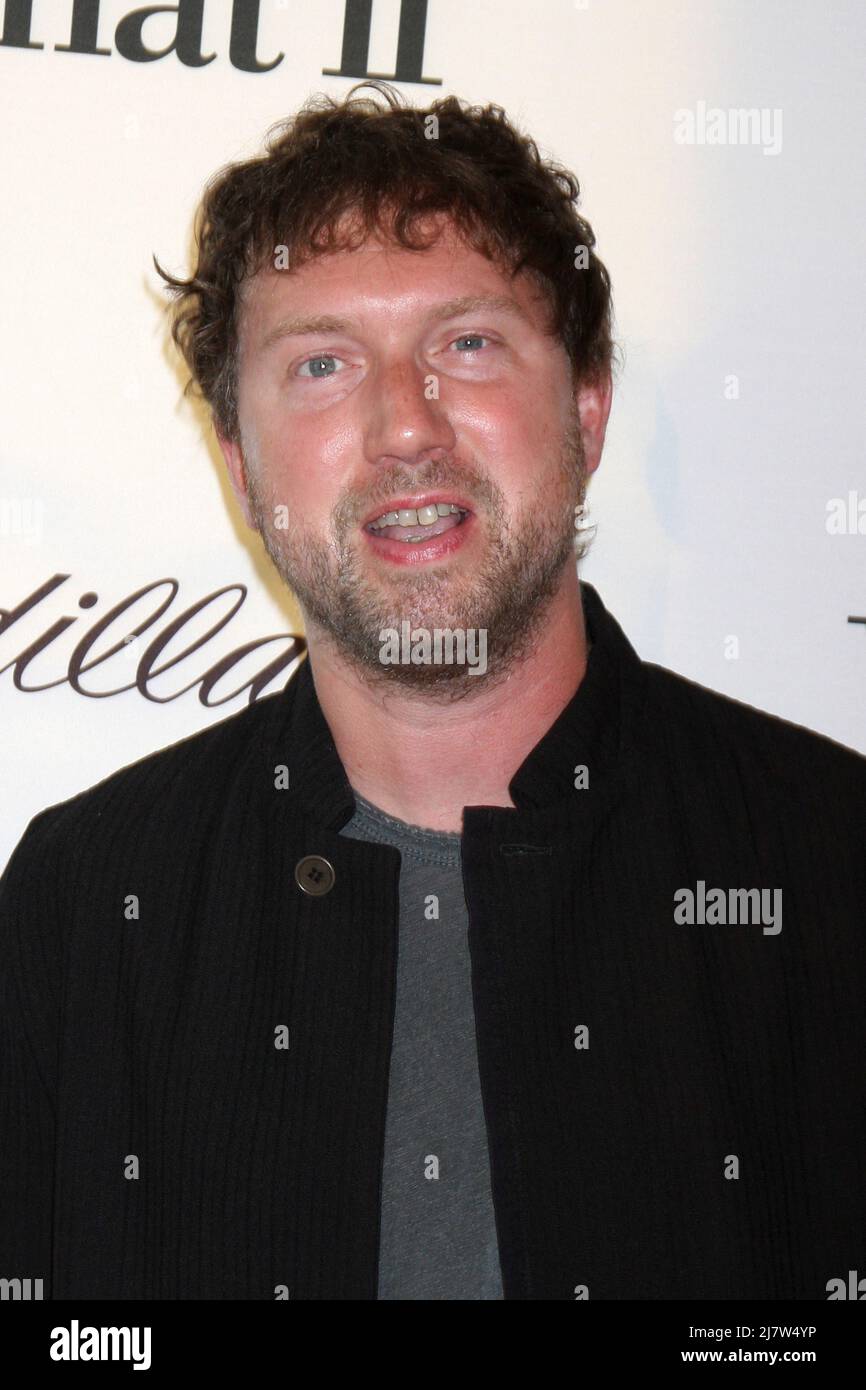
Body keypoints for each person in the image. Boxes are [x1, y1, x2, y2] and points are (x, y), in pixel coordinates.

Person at [1, 82, 864, 1302]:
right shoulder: (83, 907)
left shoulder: (831, 864)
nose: (404, 426)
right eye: (320, 363)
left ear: (584, 408)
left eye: (466, 344)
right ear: (242, 470)